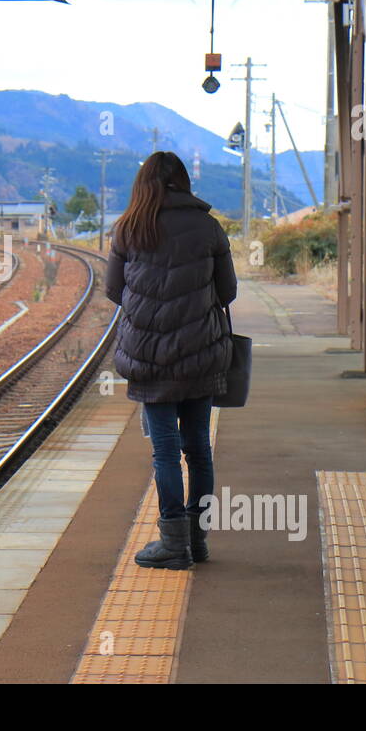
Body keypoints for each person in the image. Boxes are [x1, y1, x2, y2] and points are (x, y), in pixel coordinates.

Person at [104, 151, 237, 569]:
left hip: (149, 358)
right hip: (200, 356)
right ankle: (198, 542)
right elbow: (227, 291)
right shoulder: (208, 226)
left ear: (142, 184)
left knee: (164, 453)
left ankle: (172, 543)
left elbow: (112, 290)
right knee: (199, 449)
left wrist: (150, 305)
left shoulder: (129, 228)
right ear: (184, 181)